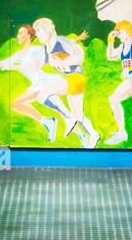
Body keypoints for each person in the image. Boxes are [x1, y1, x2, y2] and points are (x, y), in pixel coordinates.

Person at [0, 24, 71, 142]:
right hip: (37, 84)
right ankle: (51, 123)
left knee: (62, 112)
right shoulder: (19, 54)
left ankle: (50, 122)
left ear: (29, 35)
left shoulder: (36, 50)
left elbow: (48, 55)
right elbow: (3, 62)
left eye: (21, 33)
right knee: (60, 111)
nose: (18, 36)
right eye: (18, 33)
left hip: (44, 83)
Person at [33, 17, 99, 149]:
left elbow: (79, 55)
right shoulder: (47, 48)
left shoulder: (60, 41)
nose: (37, 34)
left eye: (39, 31)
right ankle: (94, 134)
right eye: (36, 31)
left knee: (42, 95)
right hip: (73, 81)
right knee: (79, 116)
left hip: (75, 78)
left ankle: (67, 117)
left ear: (48, 30)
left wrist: (63, 62)